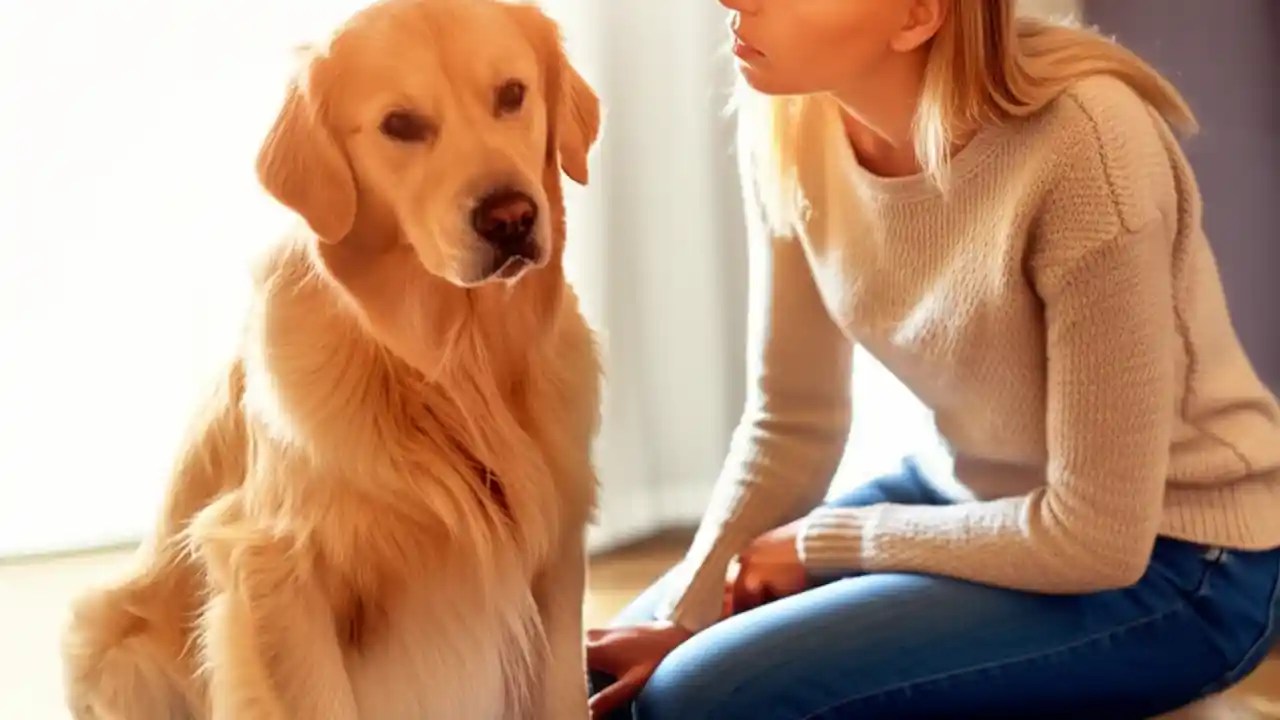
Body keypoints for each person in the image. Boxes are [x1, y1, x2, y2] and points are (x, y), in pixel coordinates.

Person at [584, 0, 1280, 718]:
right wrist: (686, 618)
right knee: (602, 679)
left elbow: (1098, 539)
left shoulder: (1086, 144)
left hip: (1186, 560)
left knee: (695, 699)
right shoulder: (792, 112)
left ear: (918, 15)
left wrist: (824, 543)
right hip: (968, 494)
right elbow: (791, 422)